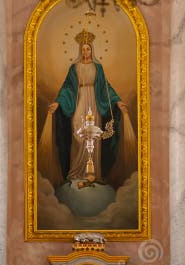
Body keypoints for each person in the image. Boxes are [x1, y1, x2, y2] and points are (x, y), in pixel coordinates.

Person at [38, 30, 136, 217]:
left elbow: (106, 87)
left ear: (92, 50)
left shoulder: (98, 68)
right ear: (79, 50)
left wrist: (117, 102)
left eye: (88, 49)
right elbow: (67, 88)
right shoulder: (74, 68)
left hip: (94, 105)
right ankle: (76, 173)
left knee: (94, 137)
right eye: (82, 49)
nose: (85, 52)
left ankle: (93, 174)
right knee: (78, 136)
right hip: (79, 103)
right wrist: (57, 103)